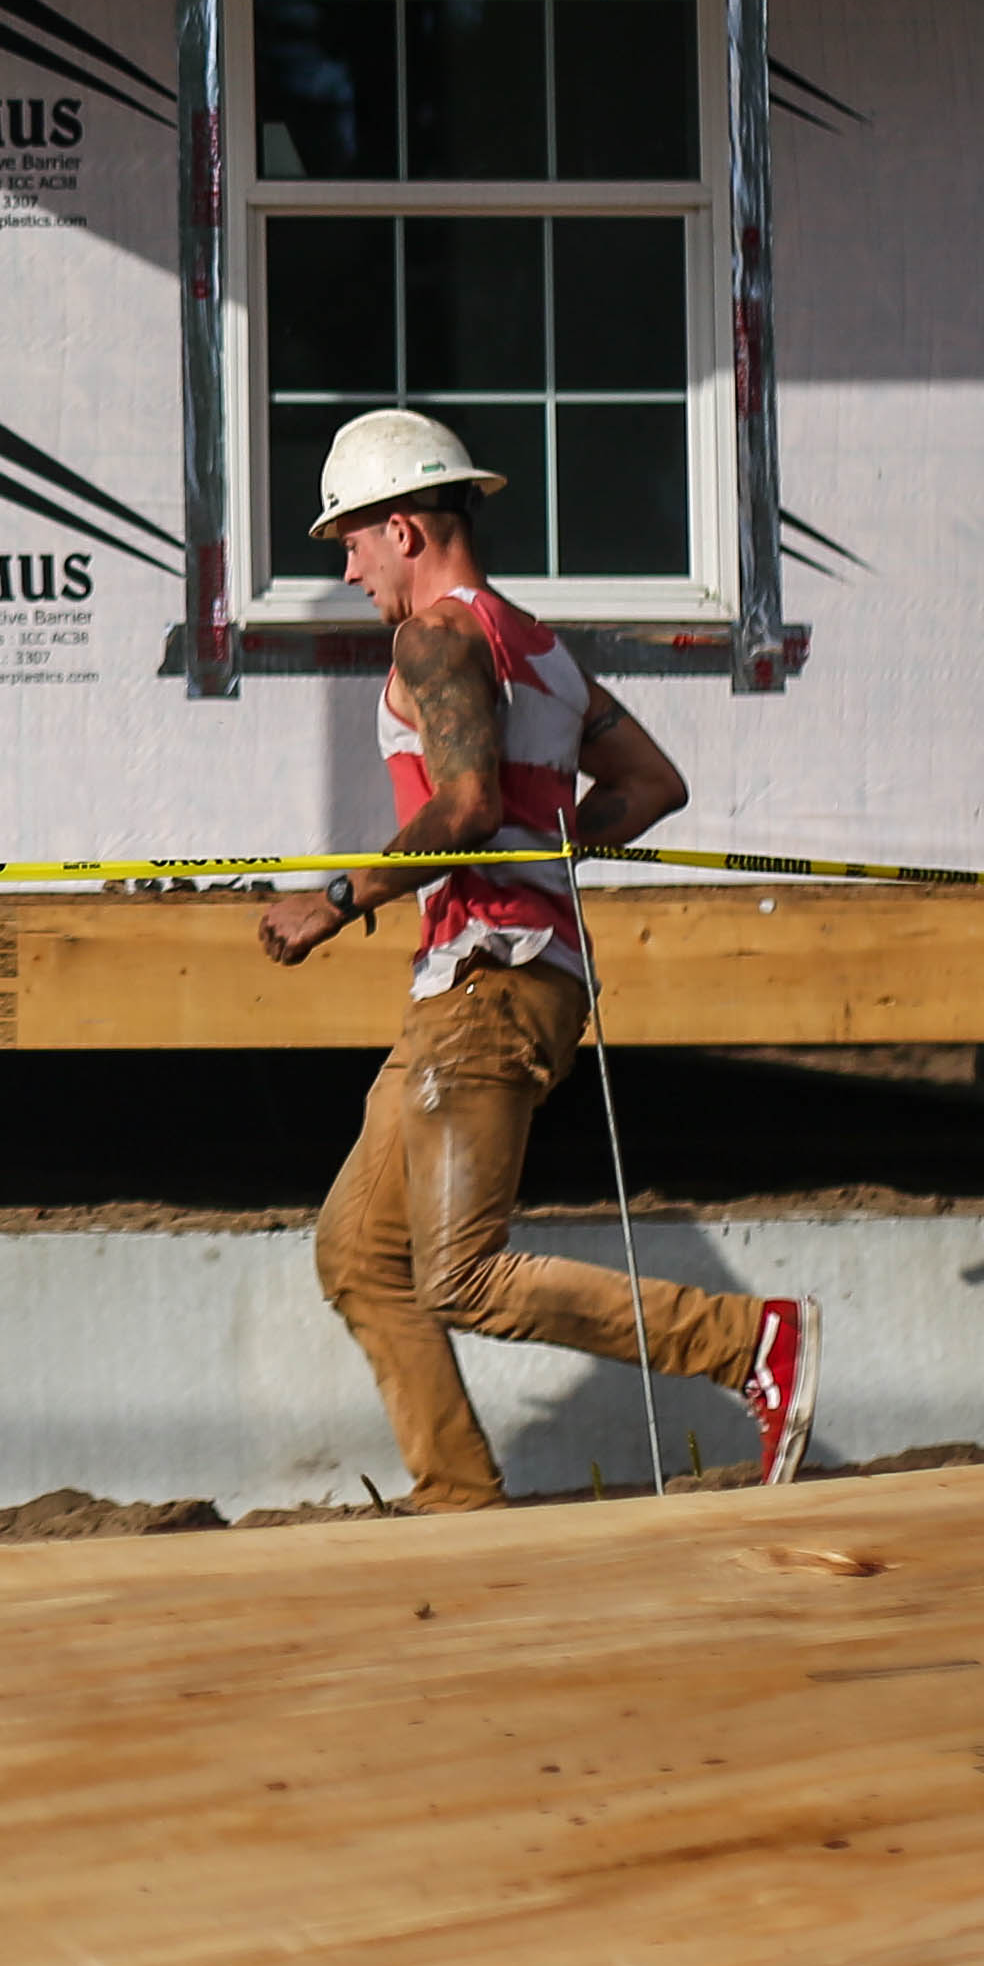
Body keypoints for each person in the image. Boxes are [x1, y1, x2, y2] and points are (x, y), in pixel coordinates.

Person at [259, 409, 821, 1505]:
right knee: (358, 1257)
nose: (346, 563)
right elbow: (651, 789)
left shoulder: (429, 638)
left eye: (351, 539)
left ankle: (745, 1342)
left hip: (481, 978)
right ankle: (456, 1493)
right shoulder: (538, 646)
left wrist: (335, 898)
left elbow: (463, 802)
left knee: (458, 1274)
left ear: (406, 528)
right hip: (510, 979)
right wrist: (542, 840)